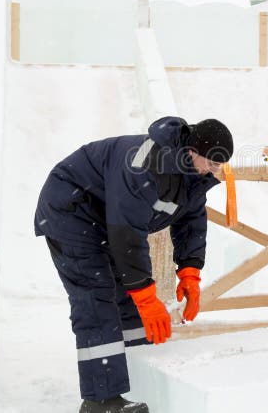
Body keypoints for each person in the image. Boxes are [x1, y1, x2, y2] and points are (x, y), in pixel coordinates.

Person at [34, 116, 233, 413]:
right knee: (97, 295)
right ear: (193, 151)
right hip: (71, 209)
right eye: (212, 164)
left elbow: (191, 220)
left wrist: (190, 272)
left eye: (220, 166)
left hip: (106, 219)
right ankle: (101, 401)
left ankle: (138, 369)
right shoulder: (146, 164)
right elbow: (127, 233)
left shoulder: (193, 174)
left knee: (127, 294)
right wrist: (145, 295)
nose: (215, 172)